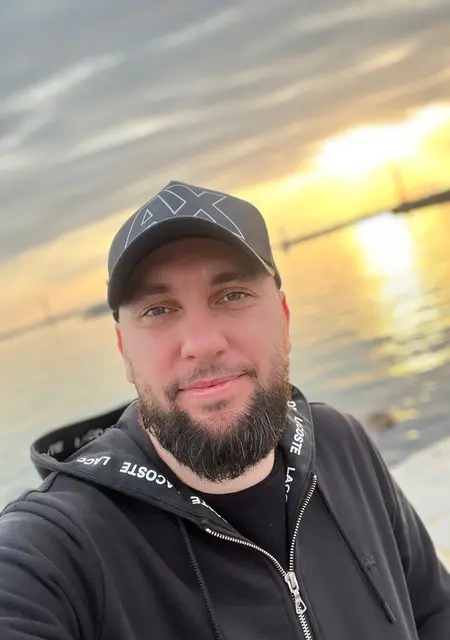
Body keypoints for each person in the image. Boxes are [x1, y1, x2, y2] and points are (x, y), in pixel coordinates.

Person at [0, 180, 449, 640]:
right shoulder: (62, 544)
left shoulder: (341, 444)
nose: (203, 343)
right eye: (158, 310)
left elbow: (435, 611)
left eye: (232, 295)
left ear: (284, 319)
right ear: (124, 352)